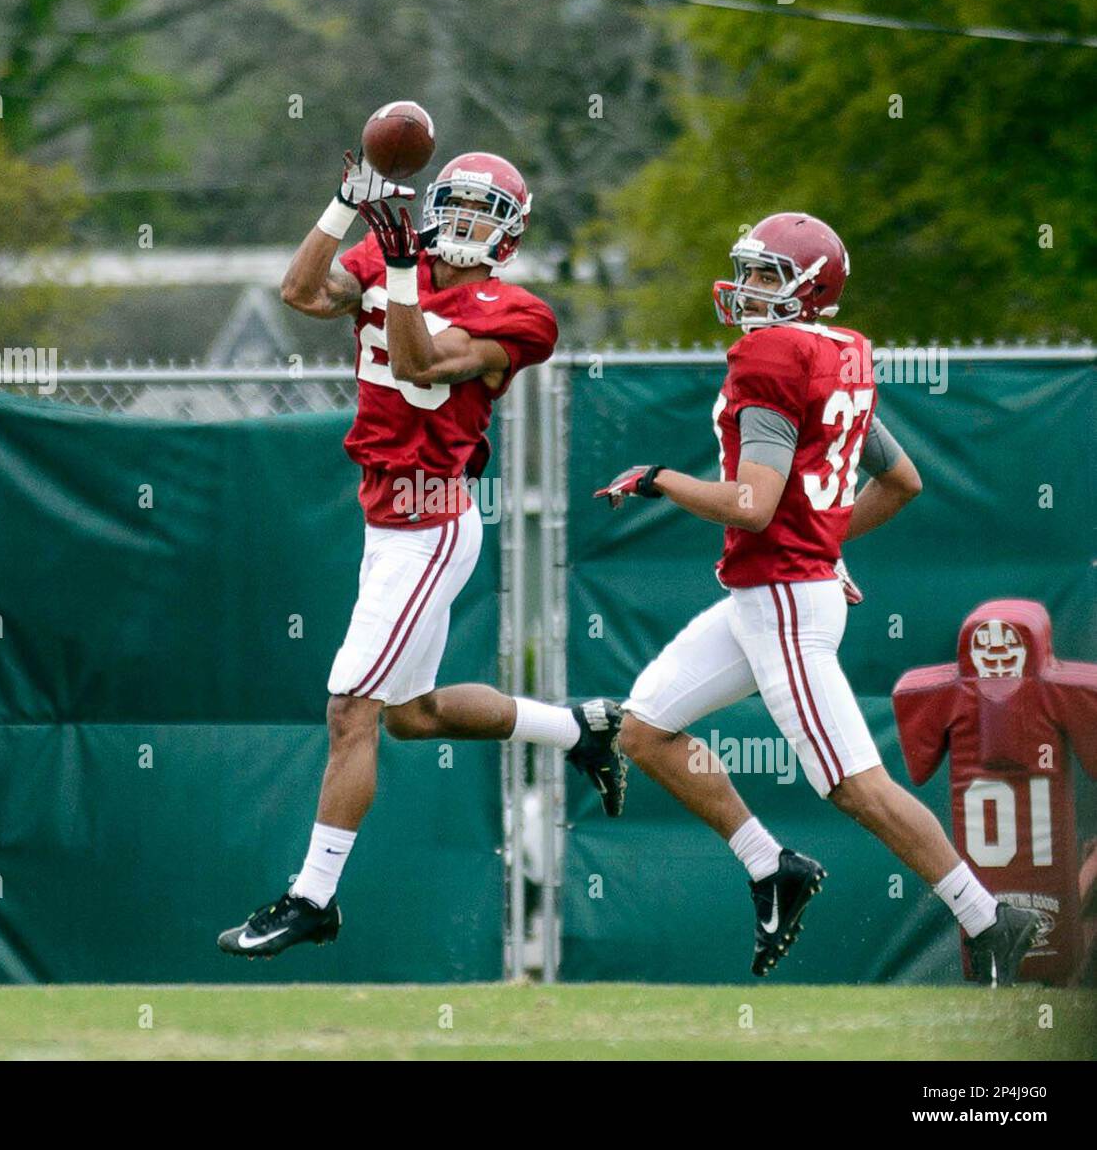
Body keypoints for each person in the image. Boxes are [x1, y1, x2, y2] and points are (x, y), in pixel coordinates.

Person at [595, 212, 1040, 985]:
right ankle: (773, 867)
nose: (747, 287)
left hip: (785, 601)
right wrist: (825, 543)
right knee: (644, 730)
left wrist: (659, 477)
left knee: (855, 785)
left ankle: (989, 917)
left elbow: (751, 504)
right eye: (750, 269)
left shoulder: (771, 354)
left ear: (808, 288)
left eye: (766, 274)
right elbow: (901, 479)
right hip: (770, 593)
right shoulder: (842, 352)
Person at [218, 148, 625, 959]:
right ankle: (578, 728)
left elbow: (419, 362)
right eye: (457, 203)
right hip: (385, 519)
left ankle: (312, 897)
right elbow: (301, 291)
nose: (463, 222)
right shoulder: (384, 255)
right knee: (411, 713)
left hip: (433, 520)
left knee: (349, 709)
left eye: (484, 211)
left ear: (508, 234)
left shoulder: (521, 314)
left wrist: (399, 276)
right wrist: (342, 205)